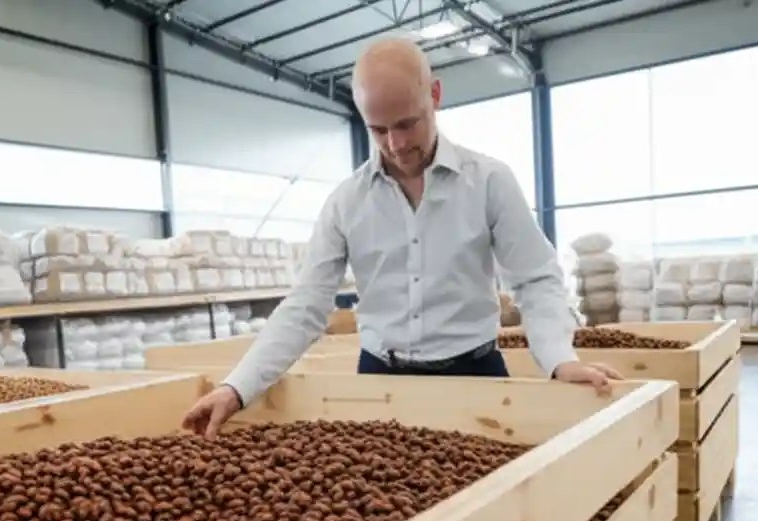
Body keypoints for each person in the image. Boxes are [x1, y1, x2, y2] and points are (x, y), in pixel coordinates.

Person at [183, 36, 622, 439]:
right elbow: (305, 305)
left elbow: (535, 279)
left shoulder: (489, 182)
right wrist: (236, 388)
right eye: (378, 130)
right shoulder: (346, 201)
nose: (395, 144)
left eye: (408, 124)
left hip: (475, 376)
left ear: (434, 94)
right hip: (379, 380)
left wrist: (560, 361)